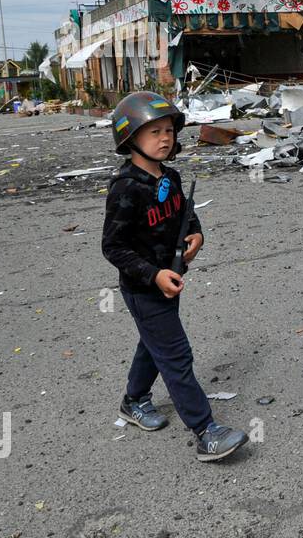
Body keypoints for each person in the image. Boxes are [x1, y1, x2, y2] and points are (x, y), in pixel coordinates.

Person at [101, 91, 248, 462]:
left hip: (172, 278)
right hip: (144, 286)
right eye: (153, 132)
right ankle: (205, 430)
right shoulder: (125, 188)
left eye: (168, 130)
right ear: (130, 139)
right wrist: (154, 275)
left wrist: (197, 234)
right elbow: (113, 248)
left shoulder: (171, 177)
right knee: (176, 354)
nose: (165, 138)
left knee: (153, 343)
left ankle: (134, 400)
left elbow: (184, 215)